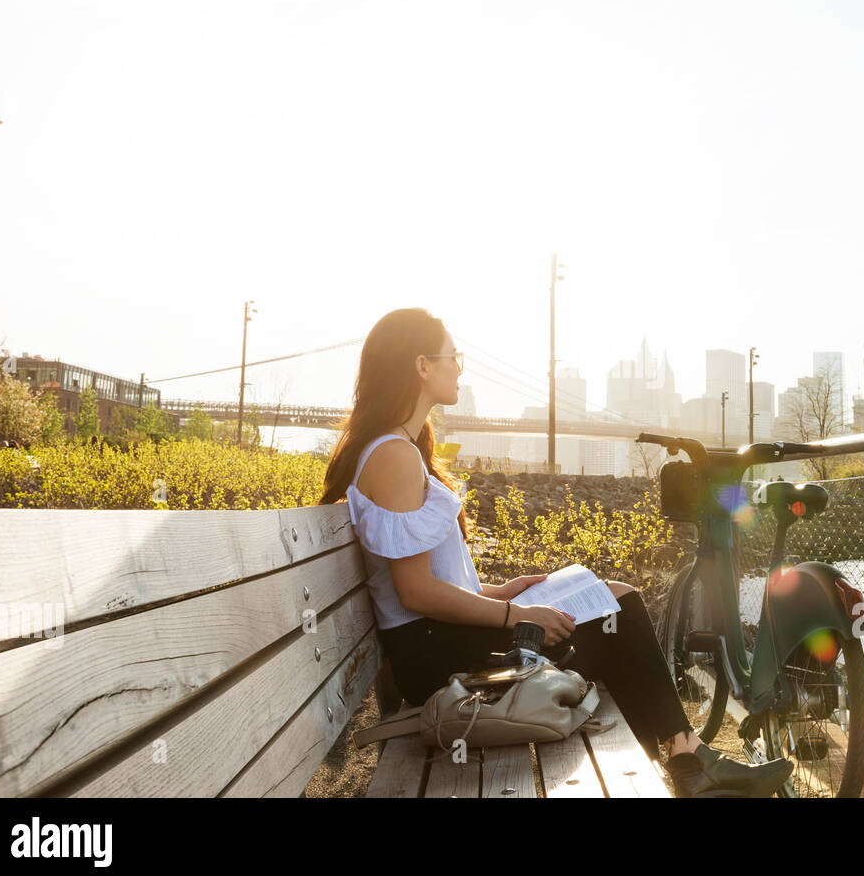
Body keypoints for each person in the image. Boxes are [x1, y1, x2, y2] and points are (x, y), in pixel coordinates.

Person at [318, 307, 792, 797]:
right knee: (619, 615)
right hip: (436, 663)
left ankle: (686, 761)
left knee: (612, 597)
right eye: (453, 356)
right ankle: (688, 764)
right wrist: (515, 614)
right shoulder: (394, 455)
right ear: (421, 366)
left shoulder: (401, 449)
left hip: (442, 641)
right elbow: (414, 591)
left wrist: (502, 590)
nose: (460, 366)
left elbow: (421, 582)